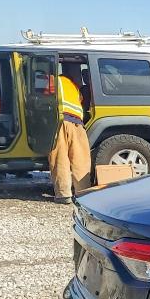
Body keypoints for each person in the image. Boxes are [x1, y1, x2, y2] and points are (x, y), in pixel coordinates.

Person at [48, 65, 91, 204]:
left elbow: (44, 98)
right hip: (77, 123)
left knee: (60, 158)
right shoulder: (73, 85)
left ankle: (63, 194)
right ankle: (83, 192)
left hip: (60, 122)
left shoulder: (53, 81)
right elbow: (81, 100)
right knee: (80, 159)